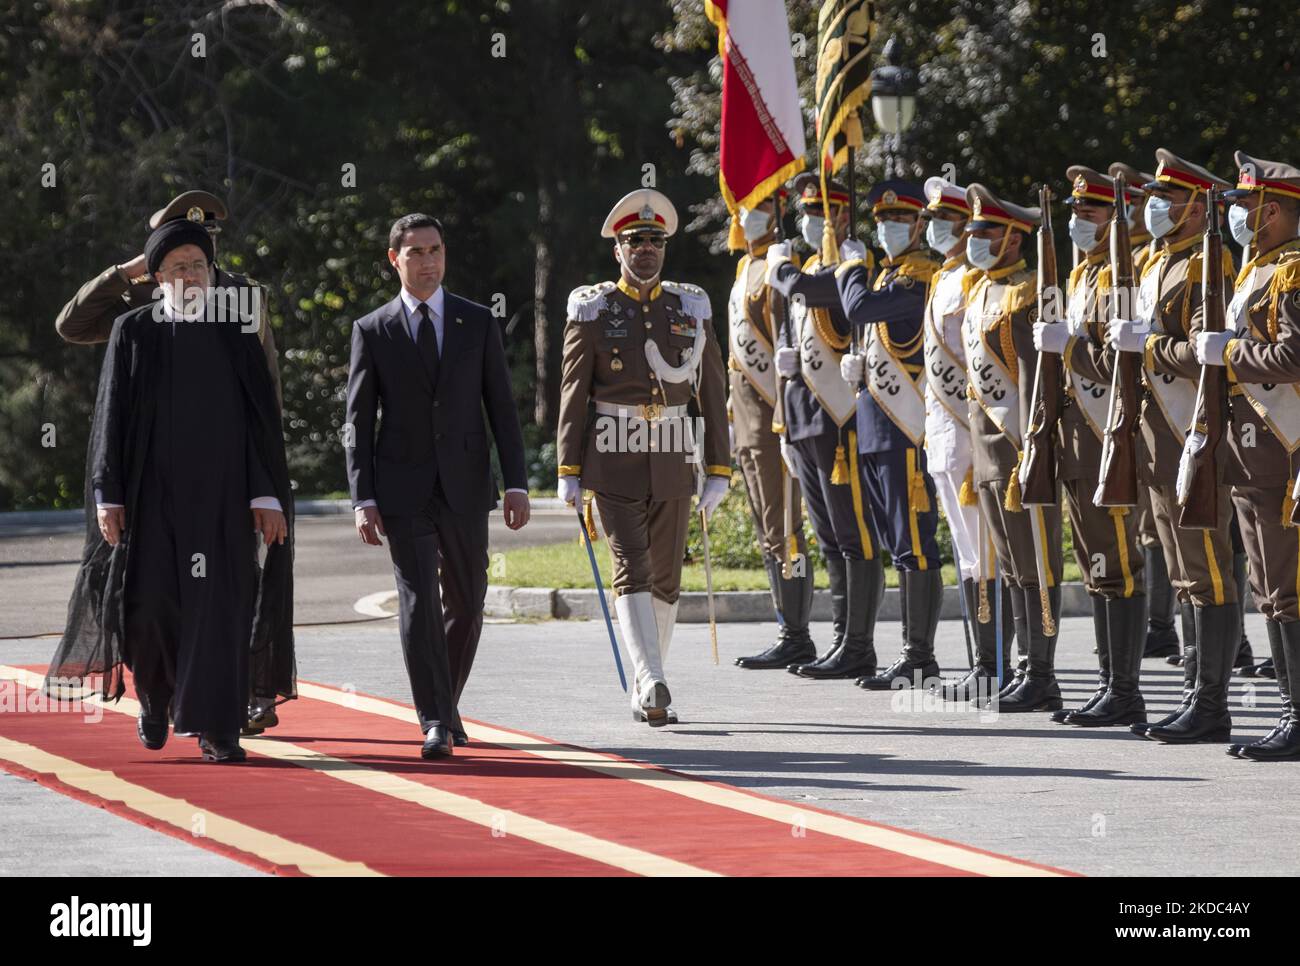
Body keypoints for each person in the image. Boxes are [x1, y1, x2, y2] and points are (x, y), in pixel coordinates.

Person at [45, 218, 294, 763]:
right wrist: (106, 492)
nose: (191, 275)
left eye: (199, 265)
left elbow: (260, 424)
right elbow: (111, 417)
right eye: (179, 266)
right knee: (150, 607)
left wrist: (266, 494)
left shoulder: (238, 332)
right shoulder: (135, 331)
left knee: (222, 610)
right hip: (150, 501)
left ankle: (217, 729)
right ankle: (155, 699)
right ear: (157, 277)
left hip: (226, 502)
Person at [346, 213, 530, 759]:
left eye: (435, 250)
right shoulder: (372, 329)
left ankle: (445, 703)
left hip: (467, 484)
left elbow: (502, 408)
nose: (427, 262)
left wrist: (517, 482)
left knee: (469, 602)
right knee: (419, 598)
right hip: (401, 488)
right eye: (416, 253)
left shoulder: (478, 321)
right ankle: (434, 719)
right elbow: (356, 422)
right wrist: (363, 496)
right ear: (394, 260)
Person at [555, 188, 730, 726]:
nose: (646, 250)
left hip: (675, 454)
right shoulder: (593, 308)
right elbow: (573, 393)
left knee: (667, 578)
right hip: (613, 455)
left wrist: (719, 467)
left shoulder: (690, 307)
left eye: (655, 241)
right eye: (636, 241)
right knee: (631, 564)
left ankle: (645, 681)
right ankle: (653, 680)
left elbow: (711, 393)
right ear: (618, 250)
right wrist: (568, 468)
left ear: (665, 248)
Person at [1105, 149, 1239, 743]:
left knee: (1207, 572)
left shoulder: (1206, 268)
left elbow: (1209, 353)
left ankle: (1210, 704)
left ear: (1191, 207)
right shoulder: (1153, 262)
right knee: (1184, 573)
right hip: (1158, 441)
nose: (1155, 207)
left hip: (1192, 437)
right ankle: (1193, 693)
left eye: (1167, 199)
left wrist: (1150, 348)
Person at [1193, 151, 1300, 759]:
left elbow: (1292, 358)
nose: (1237, 217)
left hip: (1282, 453)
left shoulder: (1292, 272)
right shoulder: (1256, 270)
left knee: (1288, 586)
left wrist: (1228, 355)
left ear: (1277, 212)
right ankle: (1289, 711)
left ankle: (1296, 715)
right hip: (1252, 453)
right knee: (1269, 587)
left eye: (1245, 208)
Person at [1033, 166, 1148, 727]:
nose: (1080, 221)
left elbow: (1119, 365)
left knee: (1119, 564)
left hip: (1108, 437)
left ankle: (1125, 689)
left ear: (1114, 220)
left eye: (1091, 213)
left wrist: (1068, 348)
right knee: (1097, 566)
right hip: (1078, 439)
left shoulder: (1119, 282)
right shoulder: (1082, 277)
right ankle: (1109, 683)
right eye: (1075, 213)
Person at [767, 174, 885, 682]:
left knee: (855, 534)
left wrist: (784, 268)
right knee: (830, 536)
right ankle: (840, 636)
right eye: (807, 211)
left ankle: (858, 643)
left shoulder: (848, 269)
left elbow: (807, 290)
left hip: (843, 426)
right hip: (809, 421)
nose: (813, 219)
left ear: (842, 216)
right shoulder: (817, 266)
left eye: (824, 211)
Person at [834, 180, 946, 691]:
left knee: (914, 544)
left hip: (906, 432)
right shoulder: (893, 275)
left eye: (898, 219)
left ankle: (919, 656)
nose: (886, 228)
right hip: (877, 427)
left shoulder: (919, 276)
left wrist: (852, 269)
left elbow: (859, 310)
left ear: (920, 225)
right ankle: (908, 651)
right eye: (881, 220)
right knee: (897, 545)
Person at [961, 184, 1064, 712]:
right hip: (987, 452)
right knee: (1011, 566)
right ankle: (1024, 666)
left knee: (1036, 561)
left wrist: (1034, 448)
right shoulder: (981, 290)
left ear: (1014, 238)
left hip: (1019, 445)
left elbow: (1034, 379)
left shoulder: (1027, 292)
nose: (974, 239)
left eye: (986, 232)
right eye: (973, 230)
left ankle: (1042, 673)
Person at [919, 177, 1016, 700]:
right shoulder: (945, 277)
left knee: (986, 553)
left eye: (946, 222)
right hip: (944, 433)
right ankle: (984, 662)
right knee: (968, 553)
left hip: (970, 432)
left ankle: (994, 666)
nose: (936, 229)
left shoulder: (973, 281)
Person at [728, 190, 819, 671]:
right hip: (746, 420)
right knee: (770, 528)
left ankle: (796, 631)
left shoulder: (780, 267)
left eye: (760, 205)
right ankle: (789, 624)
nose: (747, 214)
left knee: (786, 528)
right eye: (744, 206)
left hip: (773, 414)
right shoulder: (746, 269)